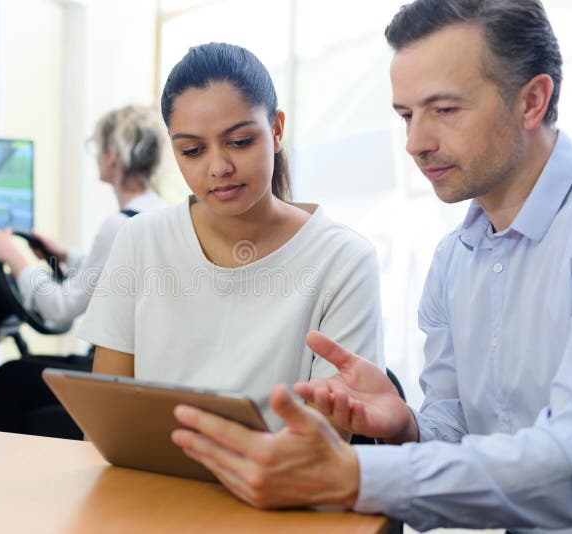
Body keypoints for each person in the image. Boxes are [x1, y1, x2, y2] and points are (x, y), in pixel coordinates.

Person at [169, 1, 572, 532]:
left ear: (532, 101)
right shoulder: (454, 262)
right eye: (406, 116)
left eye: (444, 110)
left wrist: (351, 475)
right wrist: (406, 426)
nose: (415, 143)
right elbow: (459, 433)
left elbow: (571, 466)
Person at [77, 42, 385, 431]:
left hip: (280, 472)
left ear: (276, 131)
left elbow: (325, 443)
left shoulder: (343, 259)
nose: (218, 167)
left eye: (239, 142)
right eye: (192, 150)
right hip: (149, 469)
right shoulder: (140, 240)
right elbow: (107, 423)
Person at [0, 105, 167, 437]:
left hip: (116, 371)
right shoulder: (162, 214)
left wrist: (11, 256)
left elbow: (60, 307)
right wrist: (67, 256)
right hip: (147, 372)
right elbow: (119, 275)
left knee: (9, 378)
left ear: (113, 157)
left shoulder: (119, 225)